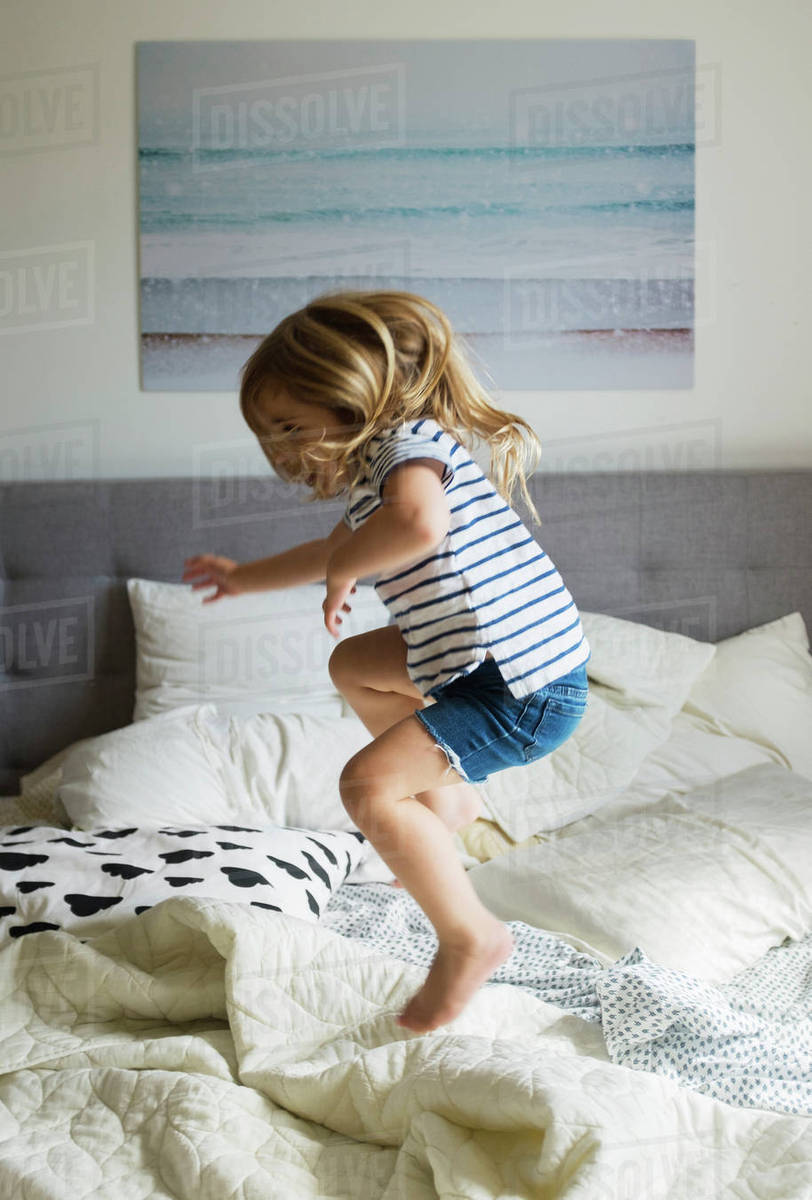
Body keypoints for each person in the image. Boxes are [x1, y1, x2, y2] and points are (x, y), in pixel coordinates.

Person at [182, 289, 591, 1034]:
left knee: (365, 785)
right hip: (484, 661)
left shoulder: (409, 448)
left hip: (522, 684)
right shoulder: (381, 468)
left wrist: (346, 574)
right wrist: (244, 577)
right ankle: (453, 802)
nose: (278, 448)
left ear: (348, 397)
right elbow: (325, 551)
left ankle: (472, 937)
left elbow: (421, 525)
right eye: (266, 433)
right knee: (354, 664)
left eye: (288, 425)